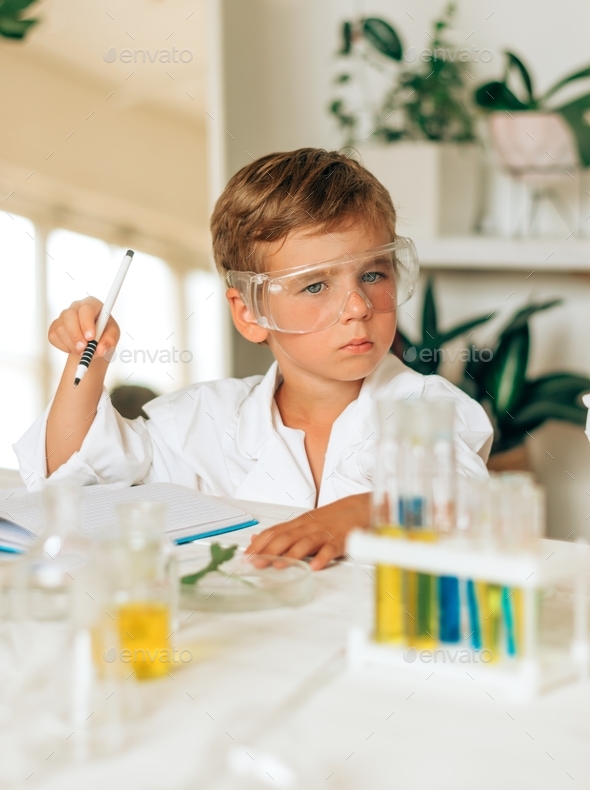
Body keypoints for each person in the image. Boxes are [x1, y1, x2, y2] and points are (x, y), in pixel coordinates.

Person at [14, 148, 493, 569]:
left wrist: (360, 513)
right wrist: (89, 356)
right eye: (316, 285)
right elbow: (71, 481)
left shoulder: (429, 406)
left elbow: (462, 494)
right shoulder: (204, 420)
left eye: (373, 274)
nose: (358, 307)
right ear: (250, 313)